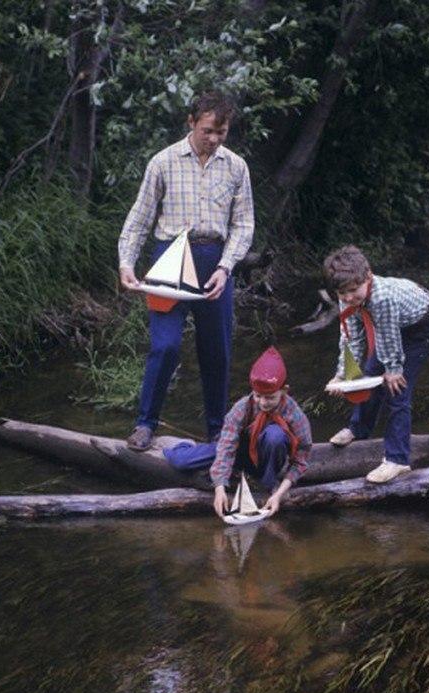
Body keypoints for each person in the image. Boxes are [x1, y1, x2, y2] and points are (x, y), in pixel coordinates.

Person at [118, 91, 254, 451]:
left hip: (214, 260)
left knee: (217, 351)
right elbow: (140, 217)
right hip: (170, 259)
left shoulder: (236, 166)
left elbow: (243, 224)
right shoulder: (163, 162)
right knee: (165, 347)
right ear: (191, 122)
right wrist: (127, 263)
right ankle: (145, 425)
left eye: (221, 132)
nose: (214, 139)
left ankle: (216, 431)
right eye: (208, 130)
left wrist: (226, 267)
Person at [324, 245, 429, 484]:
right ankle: (359, 429)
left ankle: (397, 459)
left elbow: (388, 337)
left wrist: (394, 370)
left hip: (420, 325)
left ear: (368, 277)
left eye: (353, 290)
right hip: (393, 327)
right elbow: (350, 337)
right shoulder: (347, 298)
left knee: (397, 389)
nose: (348, 297)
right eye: (342, 293)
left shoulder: (382, 298)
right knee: (369, 375)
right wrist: (343, 376)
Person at [209, 347, 312, 518]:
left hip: (271, 460)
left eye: (270, 397)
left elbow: (301, 459)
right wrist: (219, 488)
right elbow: (226, 447)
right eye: (258, 396)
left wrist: (279, 494)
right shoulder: (243, 407)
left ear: (284, 390)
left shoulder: (294, 415)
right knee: (187, 462)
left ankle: (268, 483)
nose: (263, 403)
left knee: (275, 436)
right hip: (243, 458)